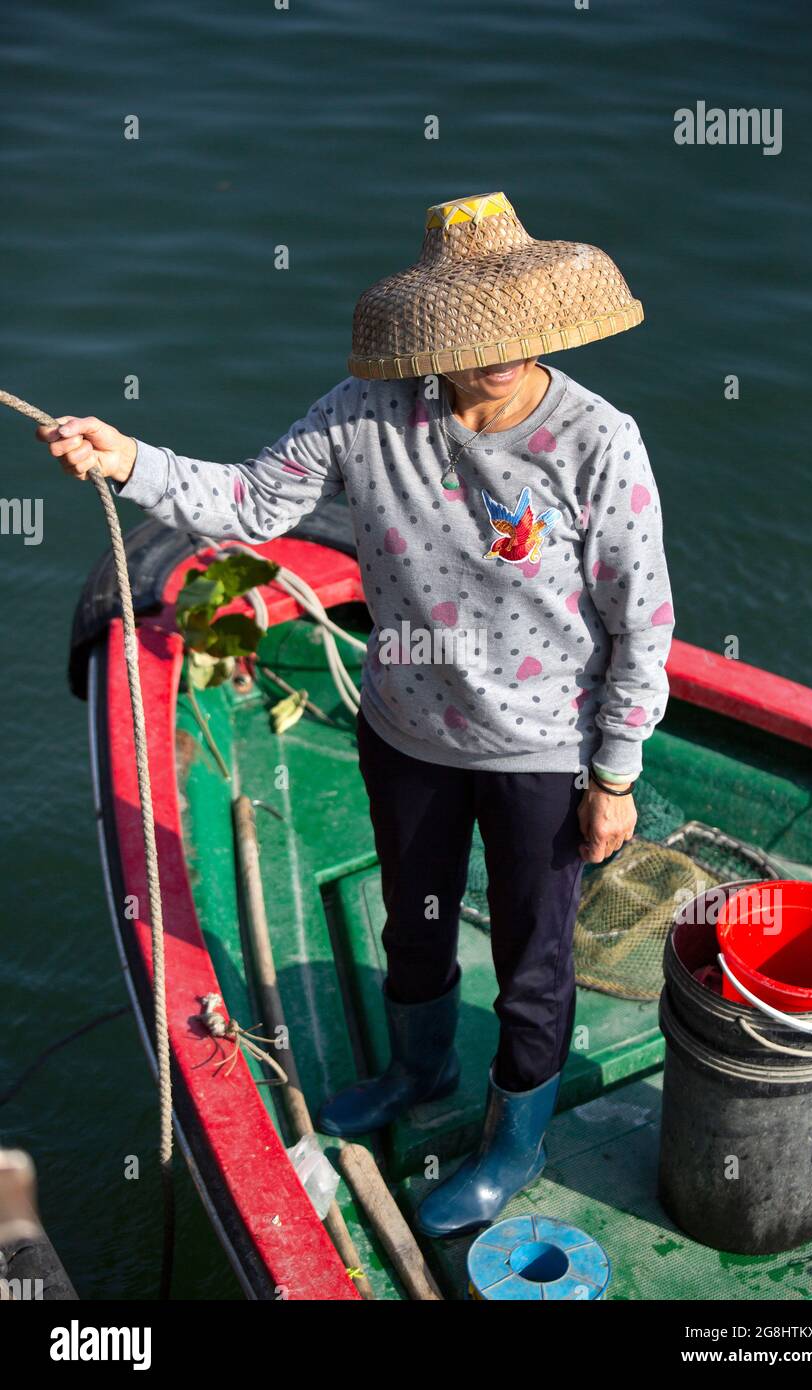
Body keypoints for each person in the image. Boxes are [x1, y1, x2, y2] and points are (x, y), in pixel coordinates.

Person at [38, 191, 674, 1238]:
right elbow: (249, 505)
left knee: (533, 962)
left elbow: (639, 618)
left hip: (540, 753)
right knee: (412, 927)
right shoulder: (361, 413)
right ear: (433, 336)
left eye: (519, 325)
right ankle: (417, 1069)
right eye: (475, 333)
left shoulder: (598, 440)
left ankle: (512, 1139)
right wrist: (127, 458)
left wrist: (612, 774)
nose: (500, 351)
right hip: (404, 734)